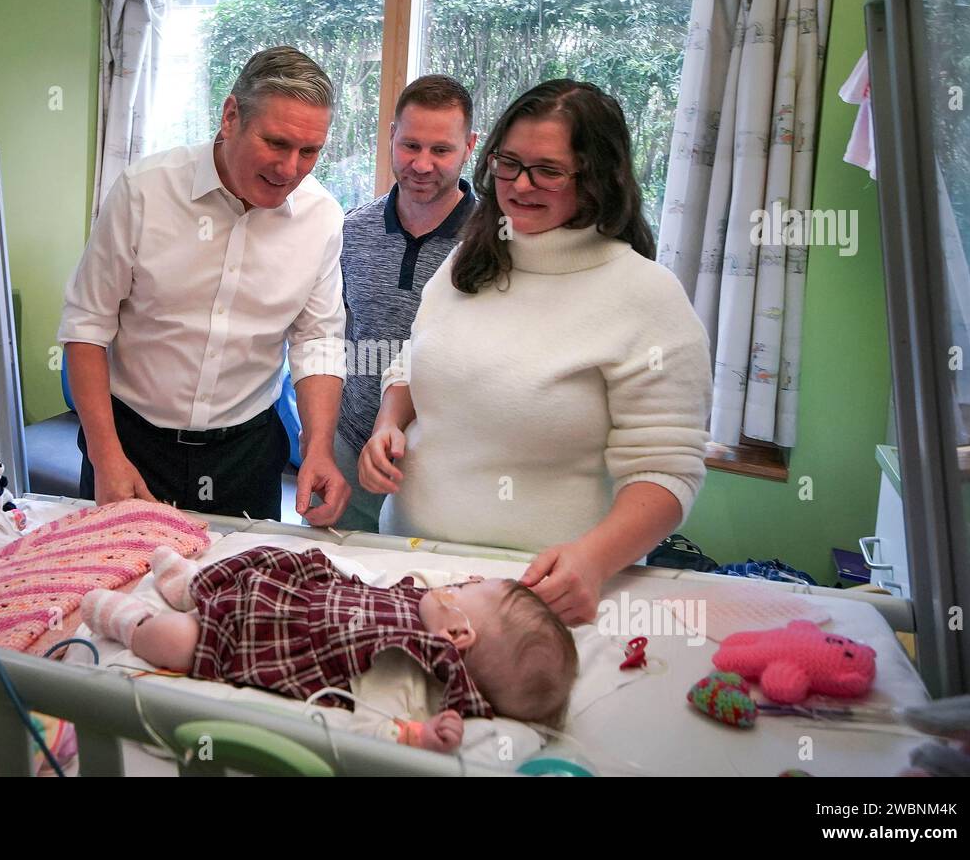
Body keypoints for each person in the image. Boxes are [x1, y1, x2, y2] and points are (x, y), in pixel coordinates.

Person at [358, 80, 712, 625]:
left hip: (543, 590)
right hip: (412, 562)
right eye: (509, 164)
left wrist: (592, 563)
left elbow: (666, 470)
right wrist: (390, 423)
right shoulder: (466, 262)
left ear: (597, 178)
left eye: (547, 170)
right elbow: (413, 358)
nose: (520, 185)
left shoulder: (647, 296)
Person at [60, 47, 351, 525]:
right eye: (276, 143)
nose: (290, 169)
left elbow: (317, 339)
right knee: (114, 590)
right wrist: (104, 455)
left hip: (247, 453)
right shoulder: (145, 191)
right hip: (132, 441)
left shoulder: (321, 217)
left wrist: (317, 446)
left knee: (240, 595)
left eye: (309, 151)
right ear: (231, 116)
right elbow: (87, 325)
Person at [80, 545, 577, 752]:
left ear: (457, 637)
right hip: (291, 593)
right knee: (270, 559)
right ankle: (194, 586)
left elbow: (374, 728)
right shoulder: (425, 605)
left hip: (259, 638)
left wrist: (420, 736)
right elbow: (421, 587)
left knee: (179, 640)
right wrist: (445, 589)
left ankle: (133, 625)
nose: (455, 587)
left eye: (464, 593)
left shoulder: (402, 663)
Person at [334, 75, 478, 531]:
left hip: (448, 465)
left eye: (441, 150)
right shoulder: (350, 230)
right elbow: (324, 336)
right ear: (392, 135)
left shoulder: (495, 242)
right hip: (350, 449)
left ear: (470, 145)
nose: (421, 164)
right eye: (410, 145)